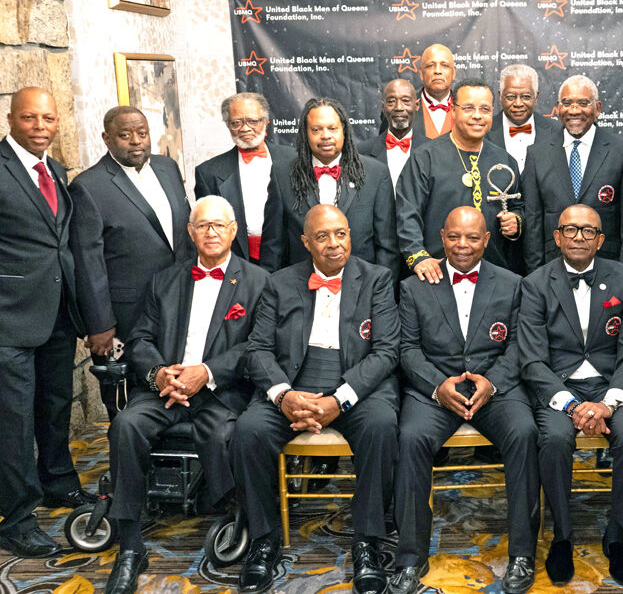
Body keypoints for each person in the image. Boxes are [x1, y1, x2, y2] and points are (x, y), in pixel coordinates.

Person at [104, 196, 269, 594]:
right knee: (125, 425)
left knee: (224, 435)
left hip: (219, 392)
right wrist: (160, 374)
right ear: (190, 233)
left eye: (219, 225)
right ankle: (130, 545)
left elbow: (258, 346)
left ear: (233, 231)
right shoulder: (165, 280)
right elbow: (140, 337)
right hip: (165, 390)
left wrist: (206, 373)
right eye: (202, 226)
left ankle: (233, 511)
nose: (210, 233)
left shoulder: (259, 281)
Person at [230, 204, 400, 594]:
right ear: (306, 242)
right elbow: (257, 349)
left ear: (350, 235)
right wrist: (283, 395)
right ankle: (264, 538)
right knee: (248, 431)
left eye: (340, 233)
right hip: (294, 381)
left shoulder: (376, 279)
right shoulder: (280, 282)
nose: (333, 244)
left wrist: (339, 400)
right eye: (322, 236)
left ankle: (367, 541)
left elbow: (387, 351)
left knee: (380, 426)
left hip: (354, 383)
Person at [387, 207, 538, 594]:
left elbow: (522, 345)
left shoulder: (513, 283)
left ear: (487, 239)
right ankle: (410, 556)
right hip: (436, 389)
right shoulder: (414, 285)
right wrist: (438, 386)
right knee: (411, 439)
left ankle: (522, 553)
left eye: (473, 237)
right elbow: (407, 349)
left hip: (494, 388)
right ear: (442, 236)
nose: (463, 245)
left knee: (523, 433)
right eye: (454, 237)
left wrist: (494, 382)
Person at [519, 204, 623, 587]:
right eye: (570, 230)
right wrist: (573, 405)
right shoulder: (535, 283)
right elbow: (531, 360)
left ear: (601, 239)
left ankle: (617, 534)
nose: (579, 237)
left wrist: (607, 404)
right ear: (557, 236)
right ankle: (562, 534)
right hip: (560, 389)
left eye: (588, 231)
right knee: (555, 439)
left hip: (612, 387)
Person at [0, 87, 93, 558]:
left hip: (57, 312)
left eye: (49, 119)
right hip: (8, 320)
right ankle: (15, 519)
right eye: (31, 118)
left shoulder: (53, 169)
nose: (41, 126)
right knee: (13, 421)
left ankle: (59, 482)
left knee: (55, 403)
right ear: (11, 119)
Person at [70, 105, 193, 420]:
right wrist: (100, 325)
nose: (136, 141)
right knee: (124, 396)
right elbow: (88, 262)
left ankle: (174, 463)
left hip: (178, 301)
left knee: (173, 384)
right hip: (126, 313)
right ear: (107, 139)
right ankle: (128, 462)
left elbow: (182, 235)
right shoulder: (88, 186)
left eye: (142, 133)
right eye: (125, 135)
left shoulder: (167, 167)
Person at [396, 78, 524, 279]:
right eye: (468, 108)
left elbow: (518, 207)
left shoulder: (505, 160)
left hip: (493, 277)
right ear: (453, 111)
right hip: (437, 274)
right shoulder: (425, 158)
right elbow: (407, 215)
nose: (477, 116)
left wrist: (516, 221)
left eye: (484, 109)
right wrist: (419, 258)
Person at [260, 97, 399, 281]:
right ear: (305, 133)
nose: (325, 135)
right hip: (301, 289)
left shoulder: (375, 173)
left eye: (332, 128)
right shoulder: (283, 174)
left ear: (344, 131)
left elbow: (387, 246)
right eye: (316, 130)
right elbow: (273, 245)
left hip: (362, 288)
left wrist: (380, 291)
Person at [522, 75, 623, 274]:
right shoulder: (537, 154)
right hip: (552, 269)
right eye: (567, 103)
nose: (574, 110)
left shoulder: (622, 151)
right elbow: (533, 222)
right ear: (558, 107)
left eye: (583, 103)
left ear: (597, 108)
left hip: (608, 266)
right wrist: (535, 275)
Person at [194, 92, 296, 267]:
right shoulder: (208, 172)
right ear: (228, 125)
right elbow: (208, 228)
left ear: (266, 122)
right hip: (236, 265)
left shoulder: (294, 160)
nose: (245, 128)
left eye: (252, 121)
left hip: (290, 261)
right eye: (236, 123)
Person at [484, 63, 560, 171]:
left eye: (526, 97)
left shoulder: (557, 132)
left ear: (536, 97)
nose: (518, 103)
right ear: (500, 96)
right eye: (511, 97)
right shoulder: (484, 131)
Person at [358, 79, 428, 191]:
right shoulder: (362, 151)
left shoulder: (431, 150)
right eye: (391, 101)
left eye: (405, 101)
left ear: (417, 105)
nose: (398, 107)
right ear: (383, 107)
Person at [419, 43, 456, 139]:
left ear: (454, 73)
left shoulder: (466, 107)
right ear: (421, 73)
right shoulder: (402, 108)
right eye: (431, 65)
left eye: (445, 65)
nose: (438, 71)